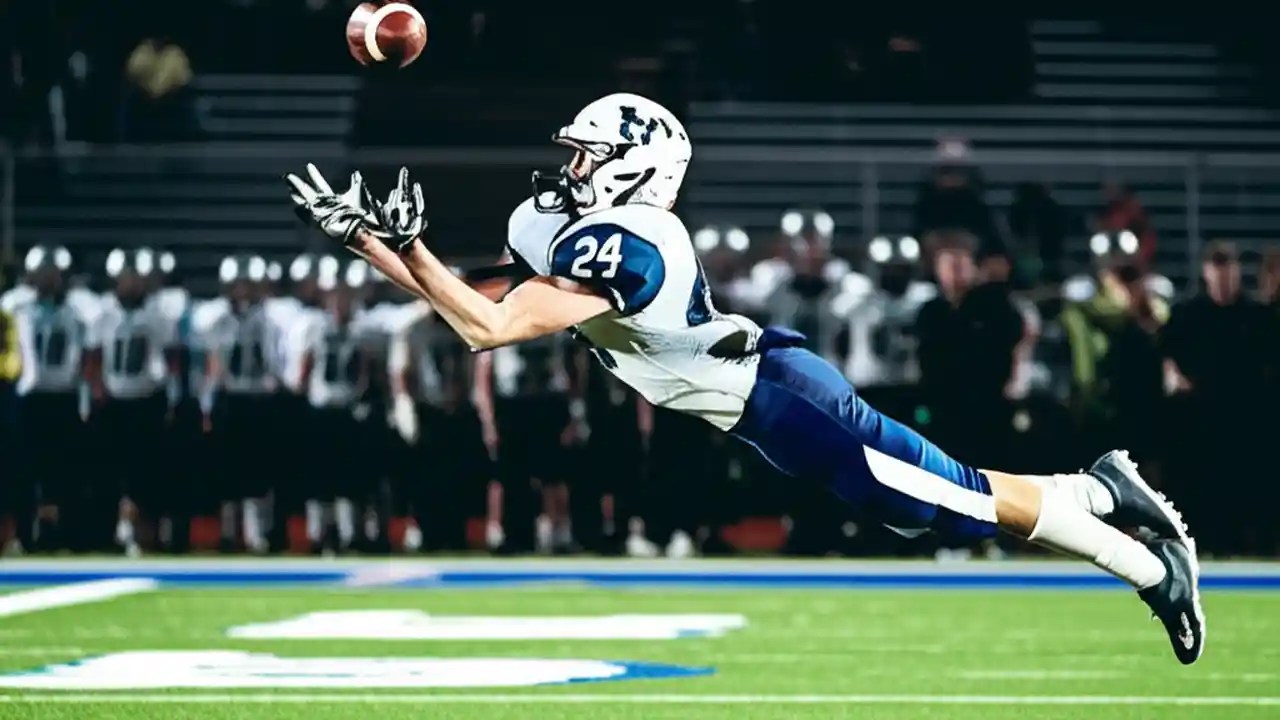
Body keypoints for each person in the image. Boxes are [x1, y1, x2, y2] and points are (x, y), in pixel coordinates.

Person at [286, 92, 1205, 664]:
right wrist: (367, 239)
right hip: (760, 408)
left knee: (950, 505)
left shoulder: (637, 242)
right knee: (931, 500)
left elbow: (486, 328)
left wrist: (403, 242)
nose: (571, 169)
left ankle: (1141, 561)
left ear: (633, 168)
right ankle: (1102, 486)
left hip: (783, 398)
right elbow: (476, 295)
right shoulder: (564, 228)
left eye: (589, 156)